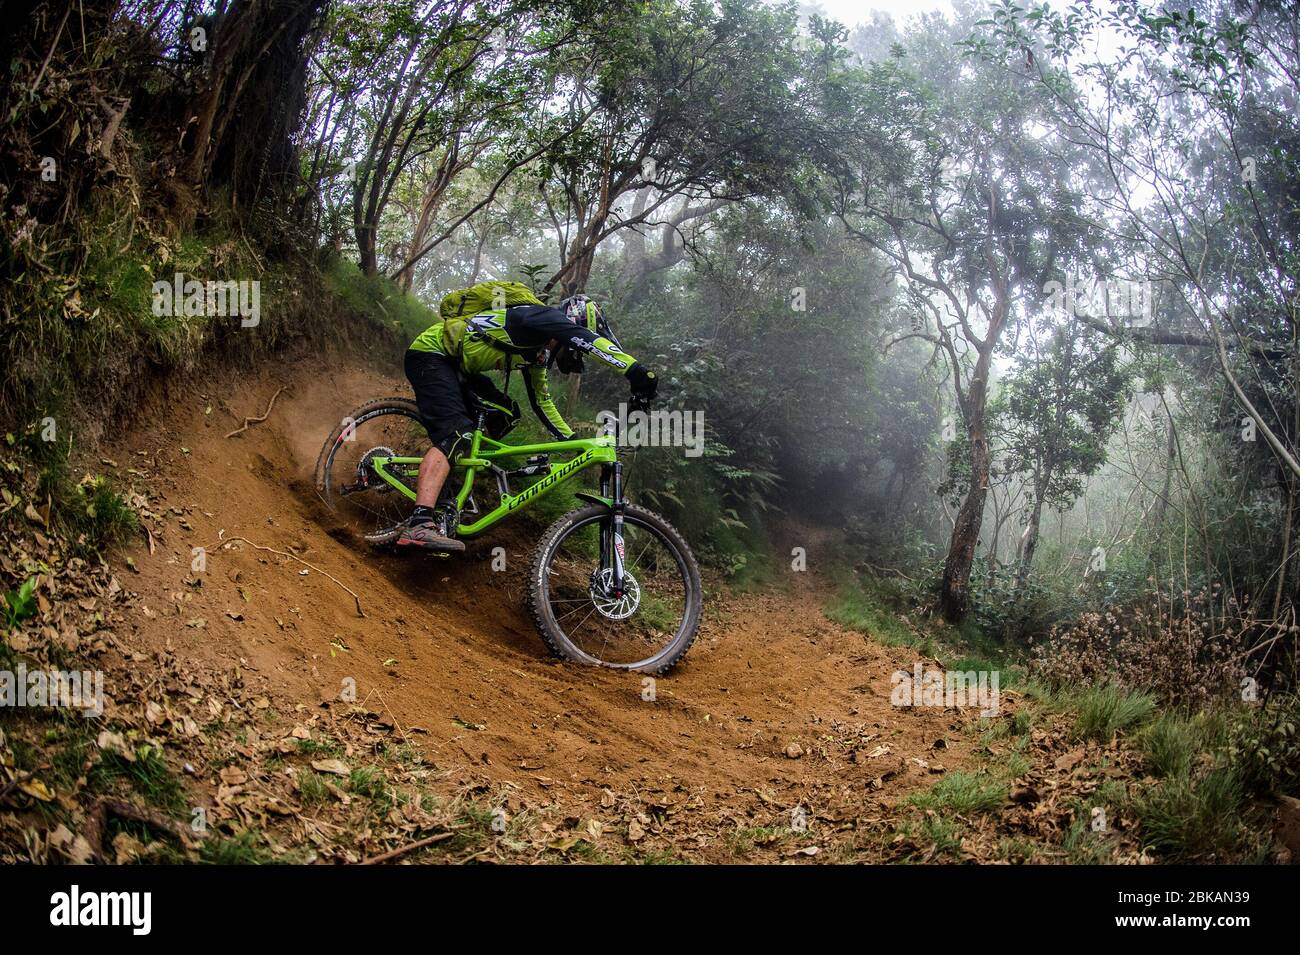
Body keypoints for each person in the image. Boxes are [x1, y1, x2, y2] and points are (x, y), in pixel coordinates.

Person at [398, 286, 657, 551]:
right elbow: (584, 339)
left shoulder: (538, 352)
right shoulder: (539, 316)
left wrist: (572, 441)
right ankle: (419, 522)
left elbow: (541, 402)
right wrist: (635, 371)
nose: (574, 356)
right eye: (573, 347)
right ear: (572, 323)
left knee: (505, 414)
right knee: (456, 434)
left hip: (458, 367)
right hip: (432, 356)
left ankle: (451, 482)